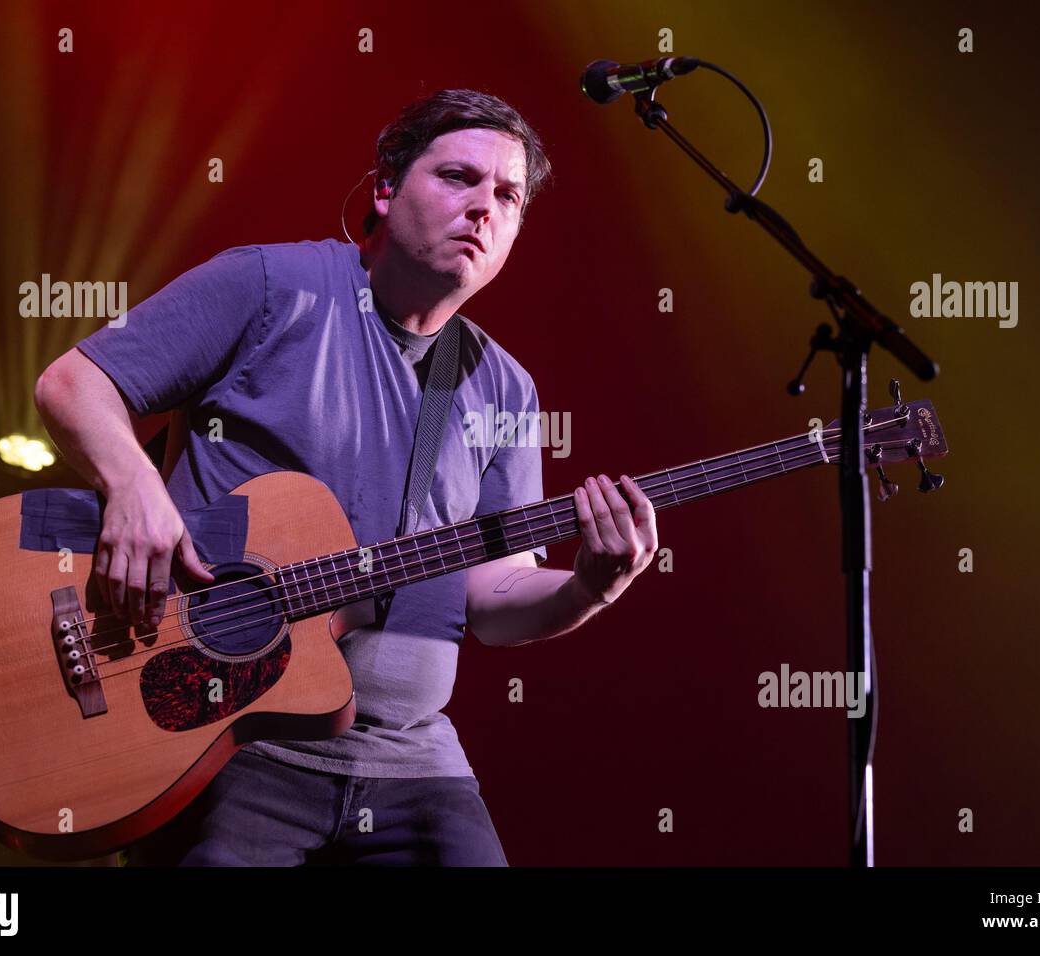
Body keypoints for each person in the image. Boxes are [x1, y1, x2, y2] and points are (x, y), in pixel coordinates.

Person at [33, 88, 659, 866]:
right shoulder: (267, 287)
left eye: (507, 196)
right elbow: (73, 384)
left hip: (412, 760)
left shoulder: (507, 389)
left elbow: (492, 601)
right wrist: (133, 486)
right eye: (459, 177)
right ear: (385, 188)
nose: (484, 209)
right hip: (230, 740)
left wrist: (588, 588)